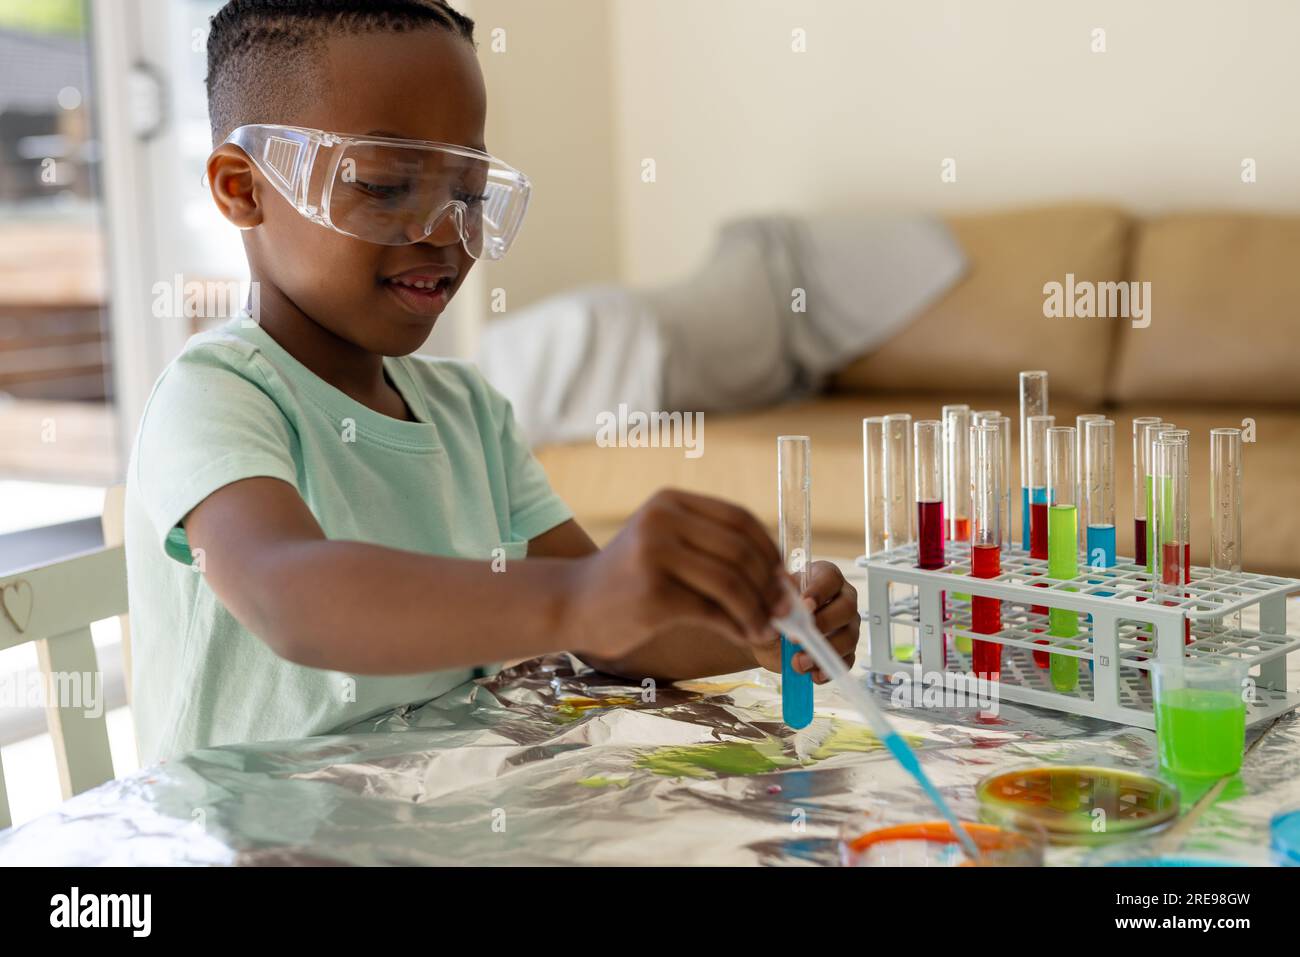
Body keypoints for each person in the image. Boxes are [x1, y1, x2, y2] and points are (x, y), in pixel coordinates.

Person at [124, 0, 858, 763]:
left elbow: (610, 625)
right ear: (243, 188)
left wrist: (761, 632)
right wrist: (579, 597)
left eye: (468, 194)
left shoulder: (465, 412)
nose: (444, 229)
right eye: (383, 185)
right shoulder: (215, 394)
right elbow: (289, 596)